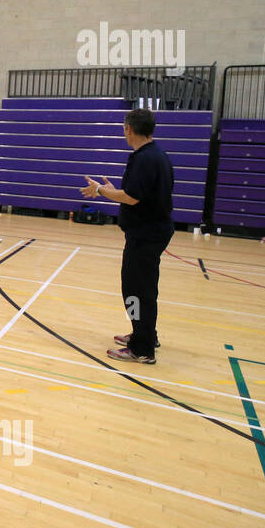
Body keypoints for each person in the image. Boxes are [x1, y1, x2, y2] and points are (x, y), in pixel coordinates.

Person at [80, 108, 174, 364]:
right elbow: (138, 193)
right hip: (151, 233)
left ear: (129, 129)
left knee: (136, 291)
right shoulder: (158, 155)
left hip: (145, 235)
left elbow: (132, 197)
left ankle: (141, 348)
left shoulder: (144, 159)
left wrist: (100, 191)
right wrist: (113, 191)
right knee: (142, 289)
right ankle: (144, 333)